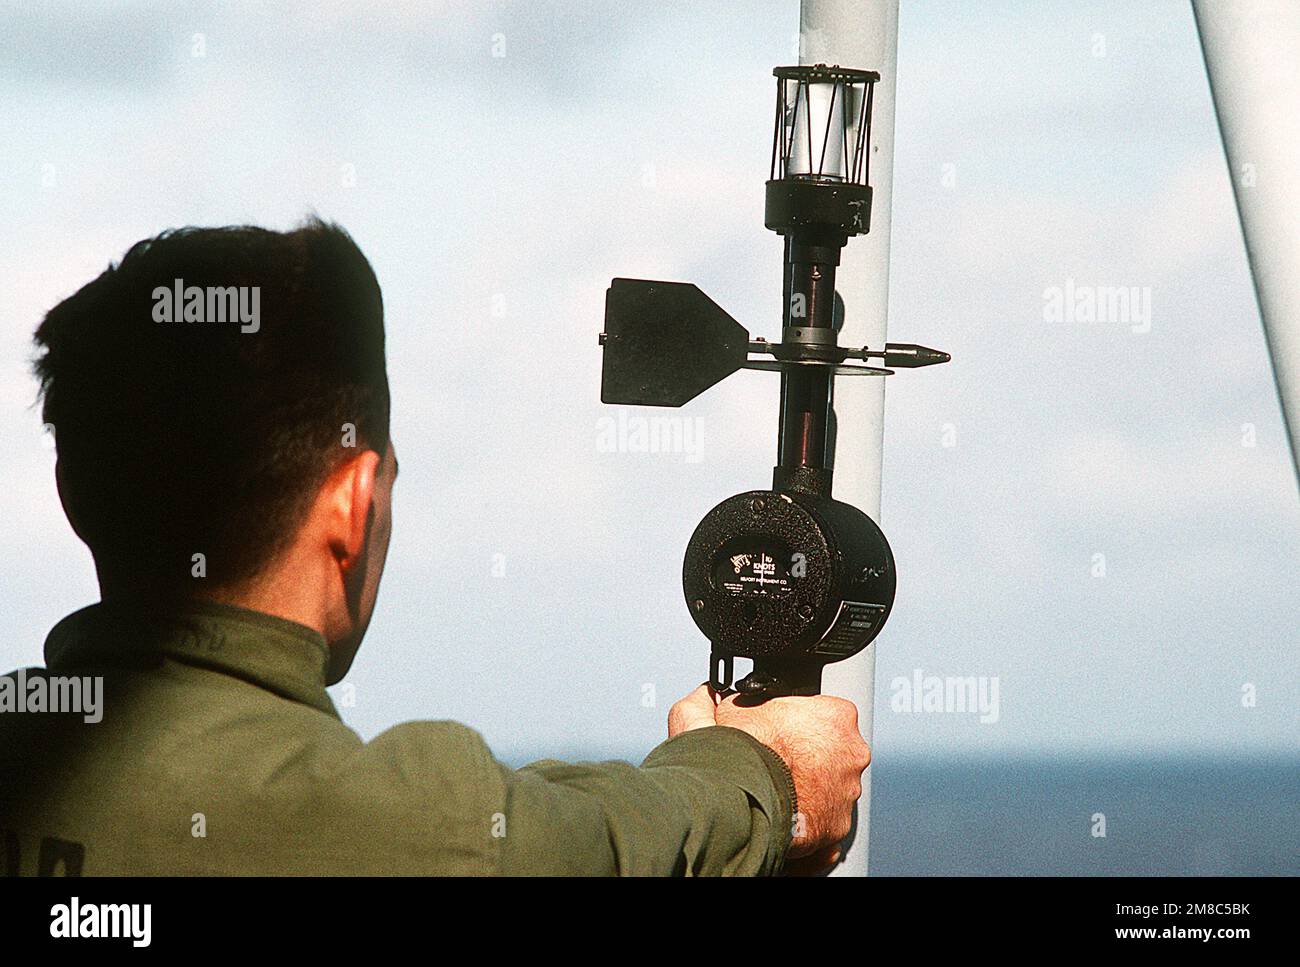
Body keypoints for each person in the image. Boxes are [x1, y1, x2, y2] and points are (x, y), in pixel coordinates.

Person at [0, 220, 871, 876]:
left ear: (72, 493)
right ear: (349, 501)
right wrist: (767, 778)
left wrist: (693, 770)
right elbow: (492, 838)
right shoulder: (415, 826)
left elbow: (525, 824)